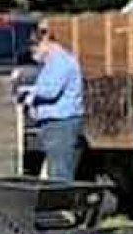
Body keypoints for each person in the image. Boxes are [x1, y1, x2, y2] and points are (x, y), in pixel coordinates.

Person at [18, 24, 87, 182]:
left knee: (60, 173)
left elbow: (50, 91)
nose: (33, 52)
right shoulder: (51, 63)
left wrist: (28, 94)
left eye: (35, 48)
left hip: (61, 124)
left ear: (45, 42)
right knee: (57, 170)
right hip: (57, 124)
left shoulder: (60, 62)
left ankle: (62, 204)